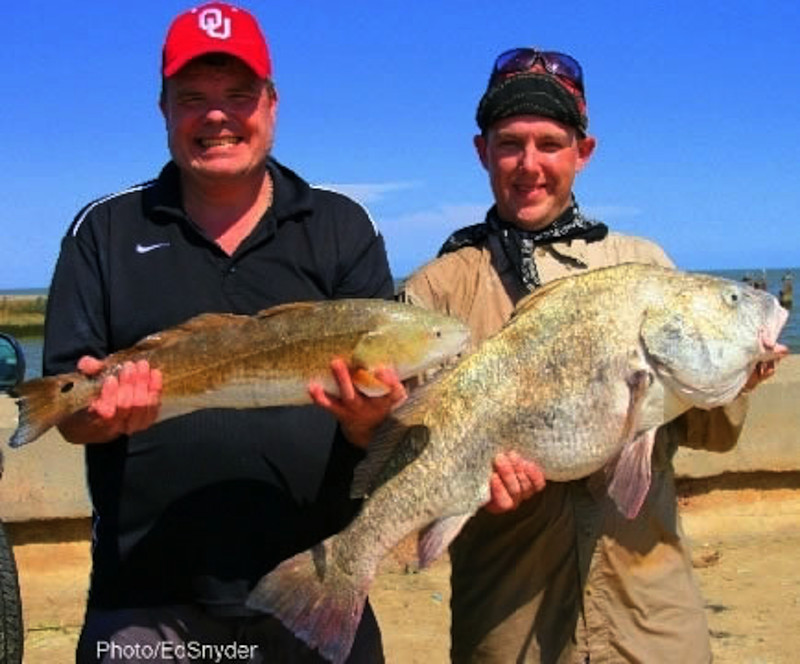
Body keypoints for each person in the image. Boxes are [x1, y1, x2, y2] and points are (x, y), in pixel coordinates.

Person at [43, 3, 405, 662]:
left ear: (272, 104)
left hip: (318, 584)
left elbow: (380, 428)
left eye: (239, 95)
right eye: (193, 98)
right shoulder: (104, 230)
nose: (217, 116)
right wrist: (101, 415)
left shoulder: (342, 226)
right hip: (146, 599)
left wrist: (368, 419)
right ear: (163, 108)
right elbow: (69, 410)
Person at [400, 47, 778, 663]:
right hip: (508, 624)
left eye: (550, 144)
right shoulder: (436, 291)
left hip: (651, 618)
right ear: (481, 151)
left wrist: (741, 375)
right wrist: (473, 483)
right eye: (509, 143)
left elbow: (709, 430)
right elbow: (411, 456)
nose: (529, 164)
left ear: (584, 151)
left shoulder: (645, 266)